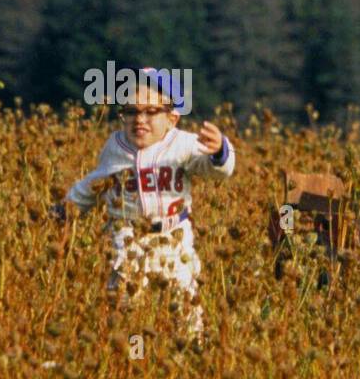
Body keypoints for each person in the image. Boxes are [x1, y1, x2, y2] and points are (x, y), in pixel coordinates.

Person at [55, 68, 235, 340]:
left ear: (172, 118)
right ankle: (130, 360)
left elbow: (216, 170)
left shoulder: (184, 144)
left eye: (151, 112)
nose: (140, 119)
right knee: (124, 306)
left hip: (173, 237)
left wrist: (220, 151)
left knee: (185, 305)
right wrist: (65, 210)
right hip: (125, 237)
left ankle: (189, 355)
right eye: (131, 111)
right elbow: (93, 183)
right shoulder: (115, 147)